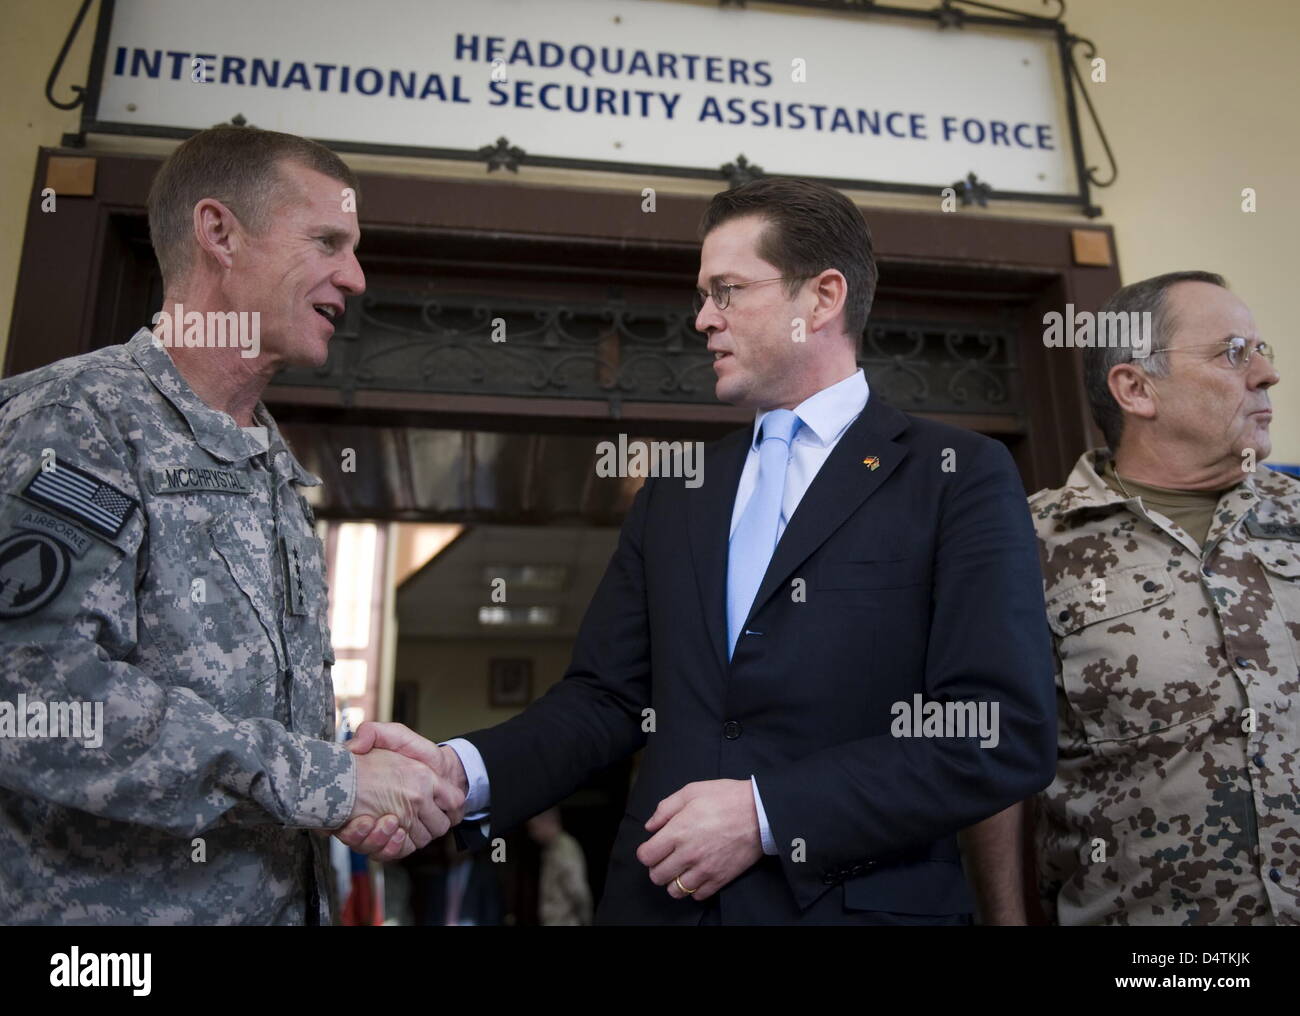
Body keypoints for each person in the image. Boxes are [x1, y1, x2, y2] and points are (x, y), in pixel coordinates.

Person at [340, 177, 1056, 924]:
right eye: (704, 294)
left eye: (728, 290)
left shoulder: (955, 475)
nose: (702, 319)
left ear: (822, 298)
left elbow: (997, 729)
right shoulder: (680, 488)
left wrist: (765, 813)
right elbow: (605, 699)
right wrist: (461, 770)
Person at [0, 124, 461, 925]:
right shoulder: (78, 417)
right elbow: (33, 697)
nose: (354, 276)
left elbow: (247, 716)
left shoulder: (270, 459)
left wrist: (352, 778)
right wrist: (327, 783)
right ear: (219, 232)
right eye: (327, 241)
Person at [975, 271, 1298, 925]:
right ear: (1135, 388)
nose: (1266, 374)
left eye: (1262, 350)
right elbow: (992, 765)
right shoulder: (1029, 544)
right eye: (1235, 352)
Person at [527, 808, 593, 925]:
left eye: (534, 828)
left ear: (546, 823)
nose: (532, 834)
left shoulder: (565, 848)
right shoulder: (549, 850)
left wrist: (586, 921)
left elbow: (578, 892)